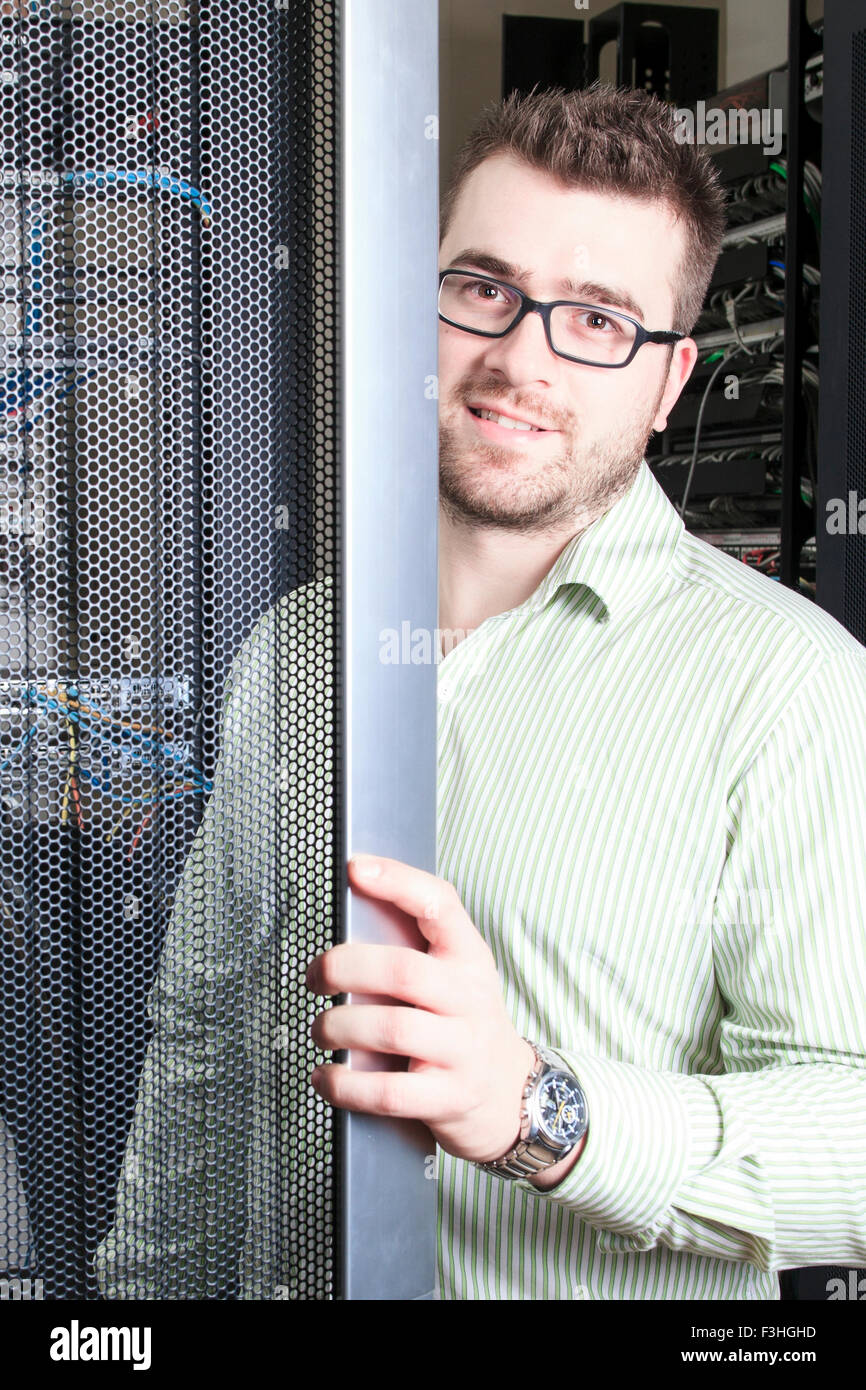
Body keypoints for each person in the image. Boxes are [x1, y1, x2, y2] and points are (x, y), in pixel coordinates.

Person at [96, 83, 866, 1301]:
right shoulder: (296, 647)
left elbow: (853, 1145)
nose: (519, 361)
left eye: (599, 321)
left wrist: (534, 1107)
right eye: (483, 289)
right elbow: (202, 1045)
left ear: (668, 384)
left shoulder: (787, 689)